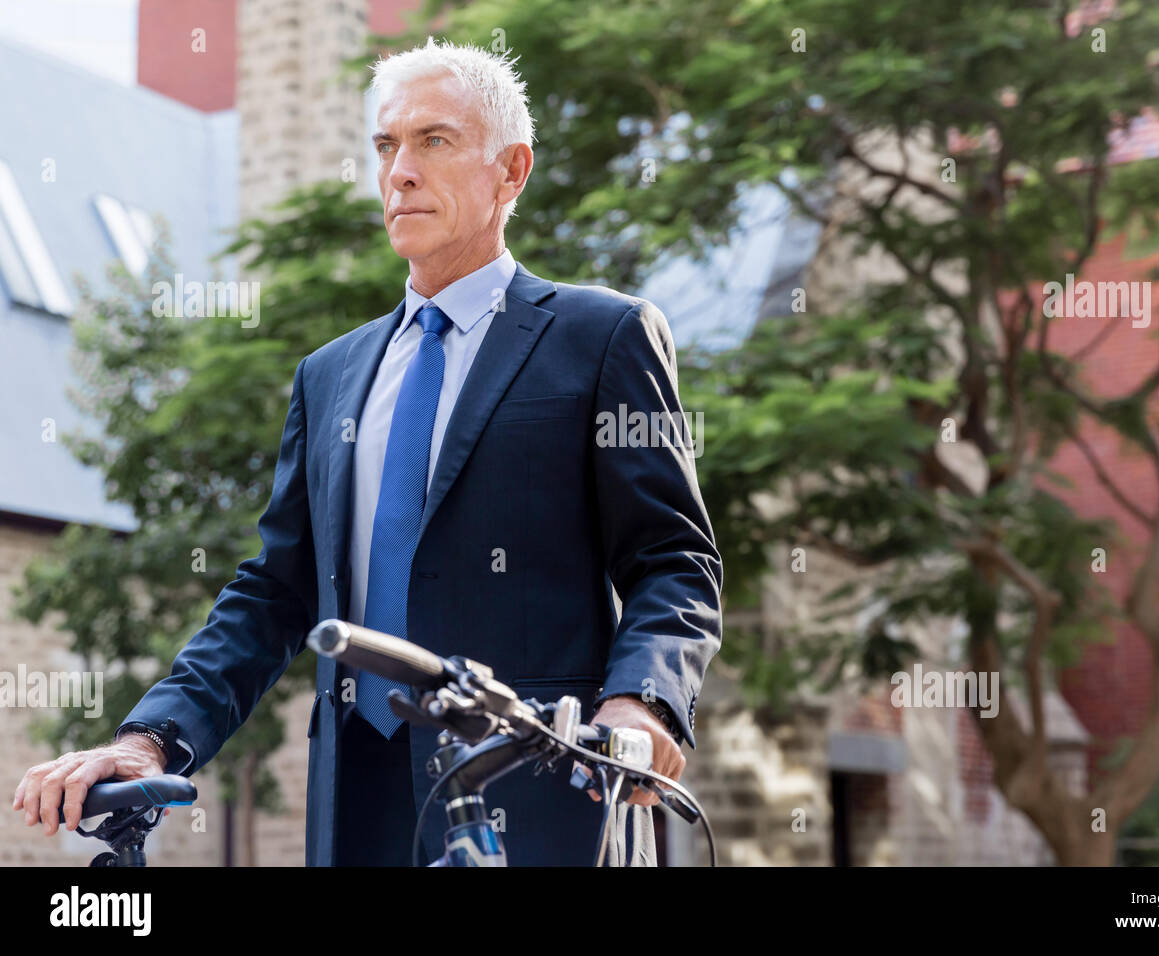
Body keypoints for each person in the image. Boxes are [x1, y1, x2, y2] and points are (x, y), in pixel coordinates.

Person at [12, 38, 722, 866]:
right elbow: (276, 593)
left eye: (435, 141)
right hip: (358, 802)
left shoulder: (602, 338)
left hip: (541, 800)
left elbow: (673, 558)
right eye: (386, 146)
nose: (401, 171)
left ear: (511, 170)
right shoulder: (330, 375)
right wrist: (151, 739)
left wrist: (641, 703)